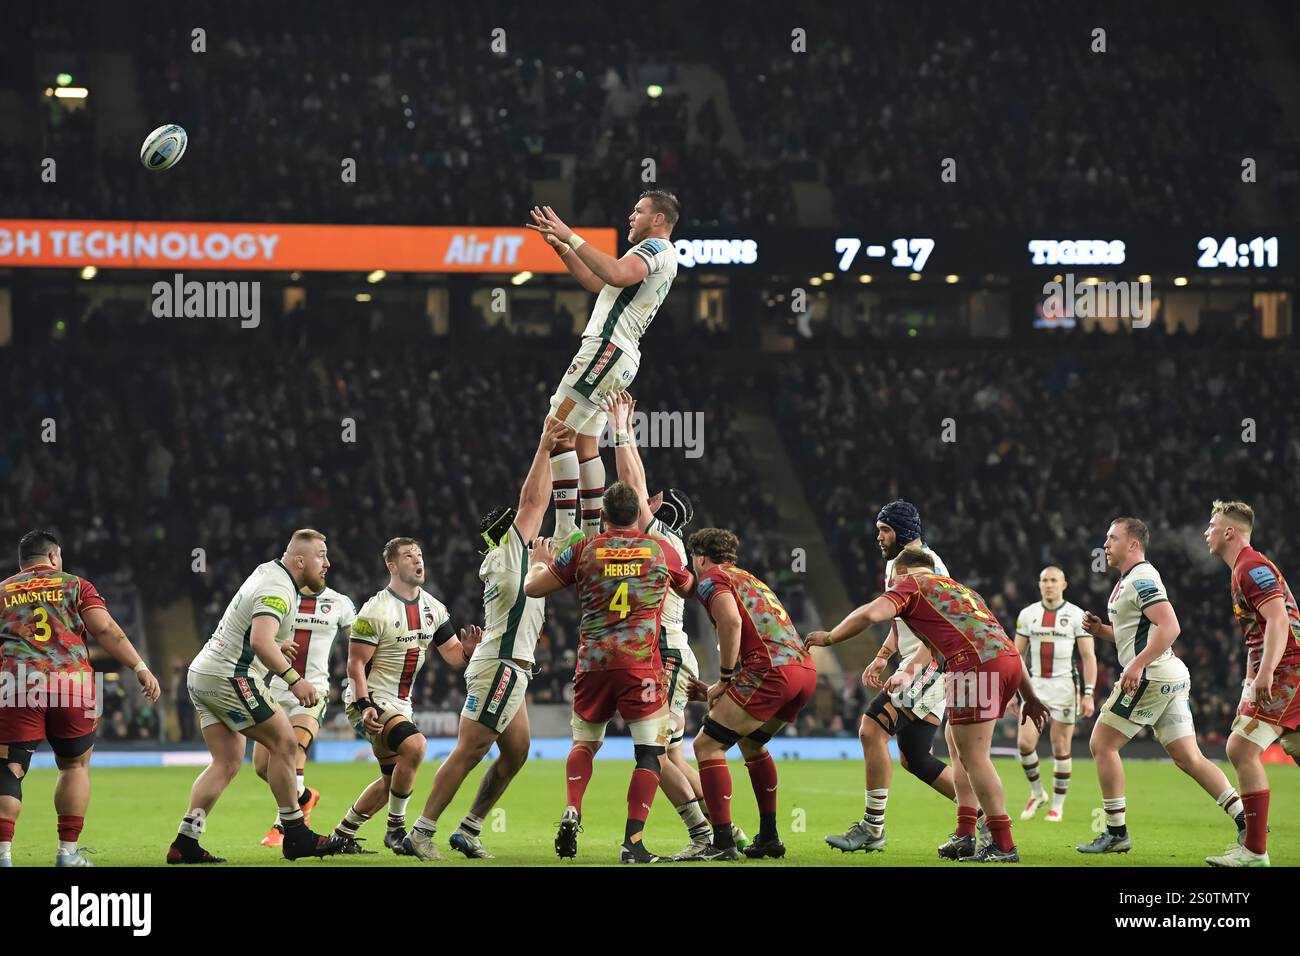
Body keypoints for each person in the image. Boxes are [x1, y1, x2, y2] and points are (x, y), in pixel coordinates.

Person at [807, 550, 1050, 862]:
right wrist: (1029, 696)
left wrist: (829, 637)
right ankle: (965, 834)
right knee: (957, 748)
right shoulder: (963, 591)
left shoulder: (912, 585)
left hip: (974, 666)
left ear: (903, 573)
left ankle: (1002, 843)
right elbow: (998, 641)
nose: (892, 588)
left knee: (974, 757)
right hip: (1005, 662)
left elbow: (870, 614)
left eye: (893, 582)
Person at [405, 418, 569, 861]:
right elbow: (534, 500)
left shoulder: (510, 562)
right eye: (517, 525)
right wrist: (545, 449)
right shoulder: (511, 554)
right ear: (508, 533)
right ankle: (421, 831)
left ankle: (470, 828)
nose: (527, 526)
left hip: (509, 667)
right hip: (501, 665)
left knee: (516, 752)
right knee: (472, 748)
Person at [524, 479, 695, 863]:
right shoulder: (660, 550)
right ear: (637, 515)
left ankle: (572, 808)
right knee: (650, 753)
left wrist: (538, 560)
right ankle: (632, 843)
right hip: (640, 666)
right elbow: (688, 588)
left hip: (593, 664)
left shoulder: (585, 549)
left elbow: (534, 589)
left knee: (584, 744)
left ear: (602, 515)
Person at [603, 391, 741, 858]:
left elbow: (632, 483)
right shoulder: (671, 546)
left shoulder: (659, 536)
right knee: (670, 754)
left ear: (660, 512)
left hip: (659, 653)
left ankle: (709, 835)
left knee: (654, 754)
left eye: (653, 502)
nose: (647, 499)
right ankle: (724, 831)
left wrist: (621, 427)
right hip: (669, 651)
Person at [169, 529, 343, 863]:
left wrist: (276, 644)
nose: (327, 563)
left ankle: (185, 842)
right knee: (285, 743)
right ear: (300, 560)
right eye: (321, 555)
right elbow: (261, 642)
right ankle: (295, 834)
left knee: (227, 761)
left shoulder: (266, 571)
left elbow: (249, 629)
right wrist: (295, 680)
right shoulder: (279, 588)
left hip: (202, 672)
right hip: (229, 674)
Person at [1076, 517, 1247, 855]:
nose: (1105, 544)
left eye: (1112, 538)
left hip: (1152, 674)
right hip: (1171, 674)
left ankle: (1115, 832)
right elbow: (1139, 633)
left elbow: (1170, 626)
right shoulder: (1129, 580)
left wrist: (1136, 666)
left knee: (1101, 745)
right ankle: (1246, 819)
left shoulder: (1141, 578)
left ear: (1133, 544)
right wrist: (1102, 632)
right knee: (1189, 757)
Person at [527, 192, 680, 547]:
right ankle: (591, 530)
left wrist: (570, 234)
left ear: (658, 220)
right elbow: (601, 282)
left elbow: (614, 271)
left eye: (638, 210)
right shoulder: (658, 255)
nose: (631, 216)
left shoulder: (656, 248)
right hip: (618, 356)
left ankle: (567, 530)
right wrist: (561, 248)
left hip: (606, 350)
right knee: (584, 441)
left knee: (556, 428)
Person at [0, 530, 160, 868]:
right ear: (54, 557)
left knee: (9, 768)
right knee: (74, 765)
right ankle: (67, 854)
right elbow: (106, 630)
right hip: (75, 684)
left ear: (22, 563)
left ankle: (3, 856)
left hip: (15, 682)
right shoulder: (76, 585)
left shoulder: (3, 590)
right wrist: (139, 666)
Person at [826, 501, 968, 854]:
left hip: (931, 663)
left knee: (871, 729)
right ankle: (981, 818)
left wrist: (908, 670)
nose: (879, 537)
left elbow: (938, 630)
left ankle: (872, 829)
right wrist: (883, 656)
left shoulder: (928, 567)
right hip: (924, 663)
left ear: (904, 531)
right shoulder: (900, 564)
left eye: (884, 530)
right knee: (915, 757)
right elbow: (904, 618)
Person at [333, 537, 481, 856]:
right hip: (368, 701)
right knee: (415, 746)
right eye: (409, 556)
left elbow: (453, 655)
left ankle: (342, 834)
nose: (418, 560)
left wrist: (467, 652)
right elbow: (355, 664)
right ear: (392, 566)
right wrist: (364, 705)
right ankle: (396, 830)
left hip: (400, 705)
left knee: (391, 783)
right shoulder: (374, 611)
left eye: (420, 554)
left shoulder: (434, 608)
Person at [688, 527, 818, 862]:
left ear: (701, 557)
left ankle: (722, 842)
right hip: (802, 670)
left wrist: (725, 681)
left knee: (706, 745)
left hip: (770, 670)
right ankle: (770, 837)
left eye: (693, 559)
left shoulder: (711, 579)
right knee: (751, 743)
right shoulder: (750, 578)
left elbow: (731, 623)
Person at [1203, 500, 1300, 867]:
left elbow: (1277, 620)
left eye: (1212, 525)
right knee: (1295, 745)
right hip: (1285, 666)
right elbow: (1255, 634)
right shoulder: (1241, 568)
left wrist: (1266, 673)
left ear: (1230, 531)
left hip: (1289, 668)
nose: (1206, 532)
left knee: (1241, 749)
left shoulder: (1251, 566)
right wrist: (1250, 675)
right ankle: (1254, 850)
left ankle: (1255, 851)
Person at [253, 580, 355, 847]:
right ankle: (304, 796)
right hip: (276, 688)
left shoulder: (340, 603)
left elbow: (360, 644)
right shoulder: (282, 598)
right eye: (319, 556)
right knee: (263, 767)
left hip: (313, 690)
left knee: (292, 751)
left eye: (326, 557)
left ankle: (284, 826)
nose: (325, 564)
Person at [1012, 566, 1096, 822]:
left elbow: (1088, 657)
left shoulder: (1076, 615)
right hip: (1034, 686)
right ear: (1039, 585)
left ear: (1063, 584)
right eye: (1044, 581)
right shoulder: (1028, 615)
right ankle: (1037, 793)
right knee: (1024, 744)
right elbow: (1017, 657)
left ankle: (1057, 805)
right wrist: (1014, 692)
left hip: (1065, 688)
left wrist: (1089, 693)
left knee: (1061, 747)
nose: (1048, 585)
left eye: (1053, 580)